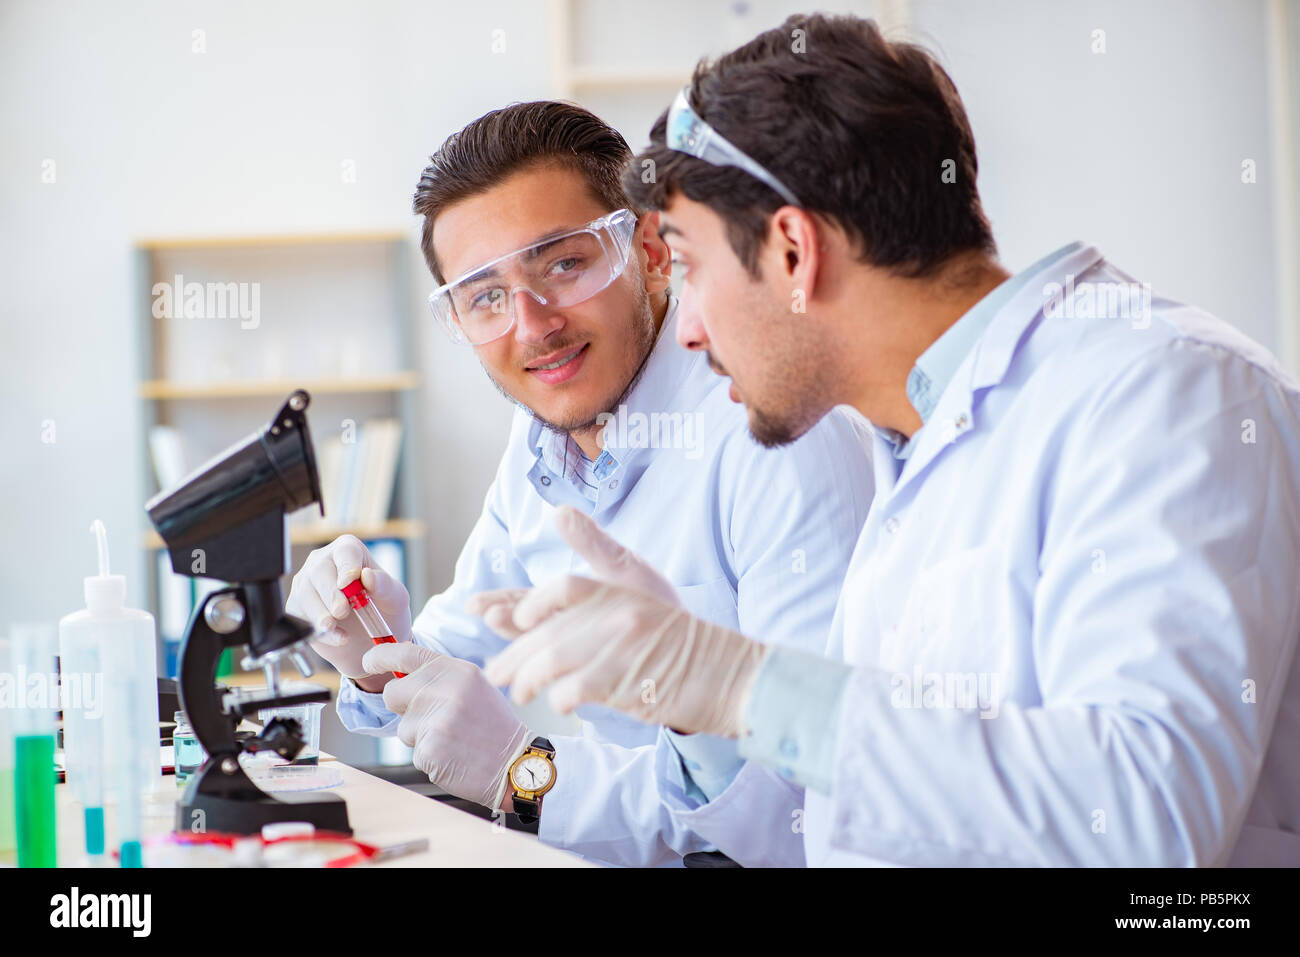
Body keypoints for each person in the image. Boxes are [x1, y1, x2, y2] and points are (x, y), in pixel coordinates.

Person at [476, 13, 1300, 866]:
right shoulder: (913, 443)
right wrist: (699, 706)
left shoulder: (1168, 392)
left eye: (689, 264)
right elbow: (855, 817)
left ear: (793, 250)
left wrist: (736, 682)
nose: (685, 328)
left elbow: (1144, 817)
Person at [285, 100, 875, 866]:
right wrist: (368, 641)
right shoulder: (544, 443)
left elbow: (797, 818)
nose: (532, 326)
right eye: (486, 296)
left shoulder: (778, 435)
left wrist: (524, 773)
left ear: (650, 249)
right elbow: (451, 660)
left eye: (563, 264)